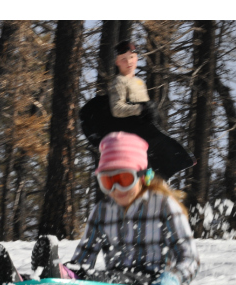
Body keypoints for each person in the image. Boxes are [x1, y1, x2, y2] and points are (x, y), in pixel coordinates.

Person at [0, 131, 199, 285]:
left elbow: (189, 257)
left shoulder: (164, 205)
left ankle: (58, 277)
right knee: (87, 275)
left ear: (143, 177)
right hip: (115, 283)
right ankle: (19, 282)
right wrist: (68, 270)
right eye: (108, 181)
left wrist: (175, 279)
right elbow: (83, 261)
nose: (116, 188)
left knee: (105, 279)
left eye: (124, 179)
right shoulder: (102, 211)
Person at [79, 40, 194, 181]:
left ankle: (152, 179)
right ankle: (140, 179)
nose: (128, 62)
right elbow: (117, 109)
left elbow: (146, 112)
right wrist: (140, 109)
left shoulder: (139, 83)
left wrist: (151, 113)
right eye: (123, 59)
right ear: (117, 62)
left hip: (141, 132)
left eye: (131, 57)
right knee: (145, 160)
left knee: (154, 158)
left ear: (136, 59)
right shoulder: (119, 82)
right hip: (127, 131)